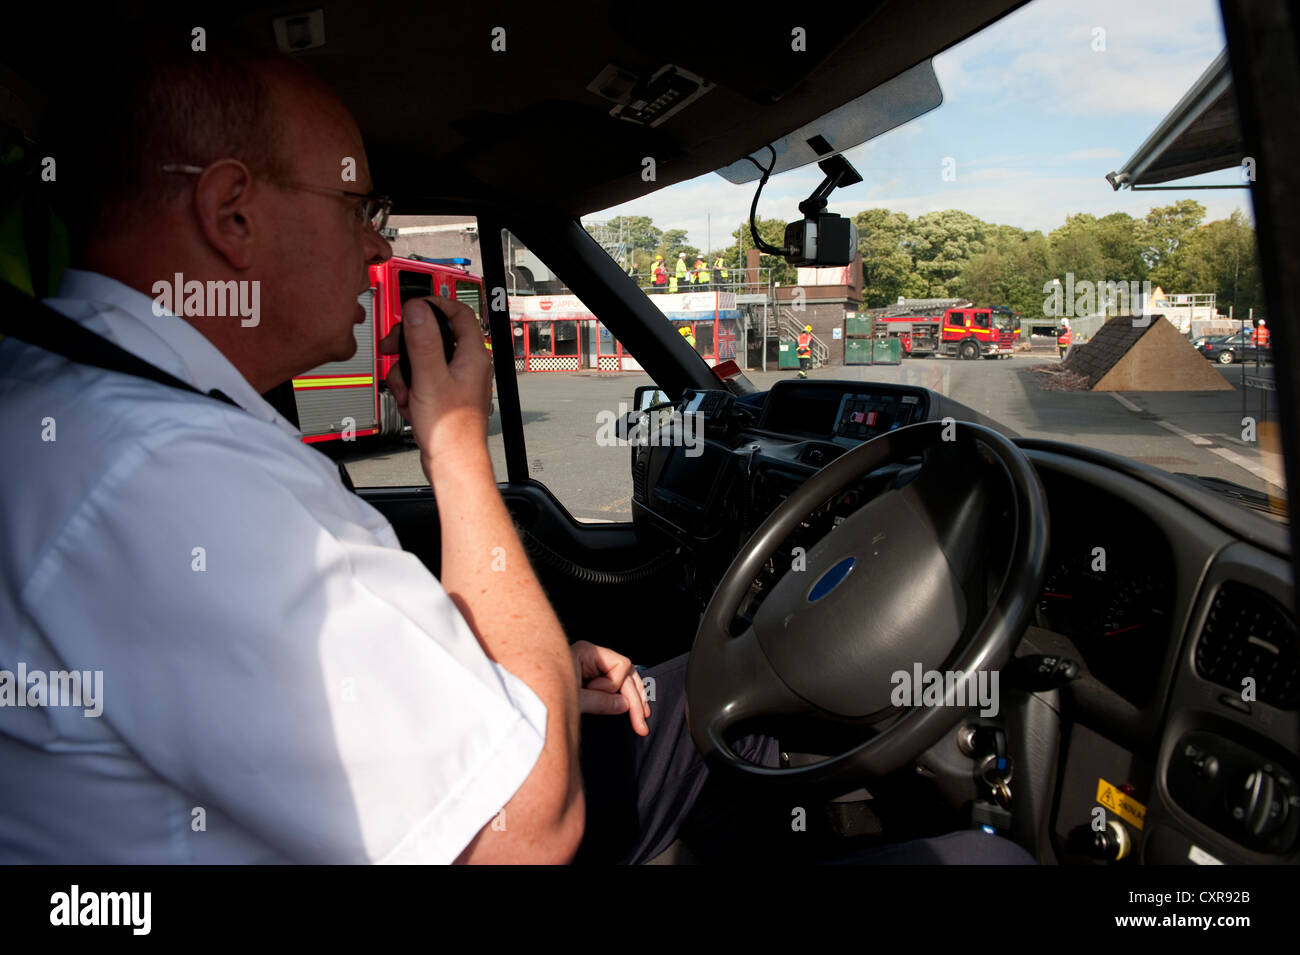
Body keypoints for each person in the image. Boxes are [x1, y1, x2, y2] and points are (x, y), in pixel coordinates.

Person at [0, 35, 1032, 868]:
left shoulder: (87, 411)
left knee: (701, 706)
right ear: (232, 215)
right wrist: (455, 441)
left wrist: (507, 668)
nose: (376, 247)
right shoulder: (167, 472)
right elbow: (523, 835)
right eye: (360, 208)